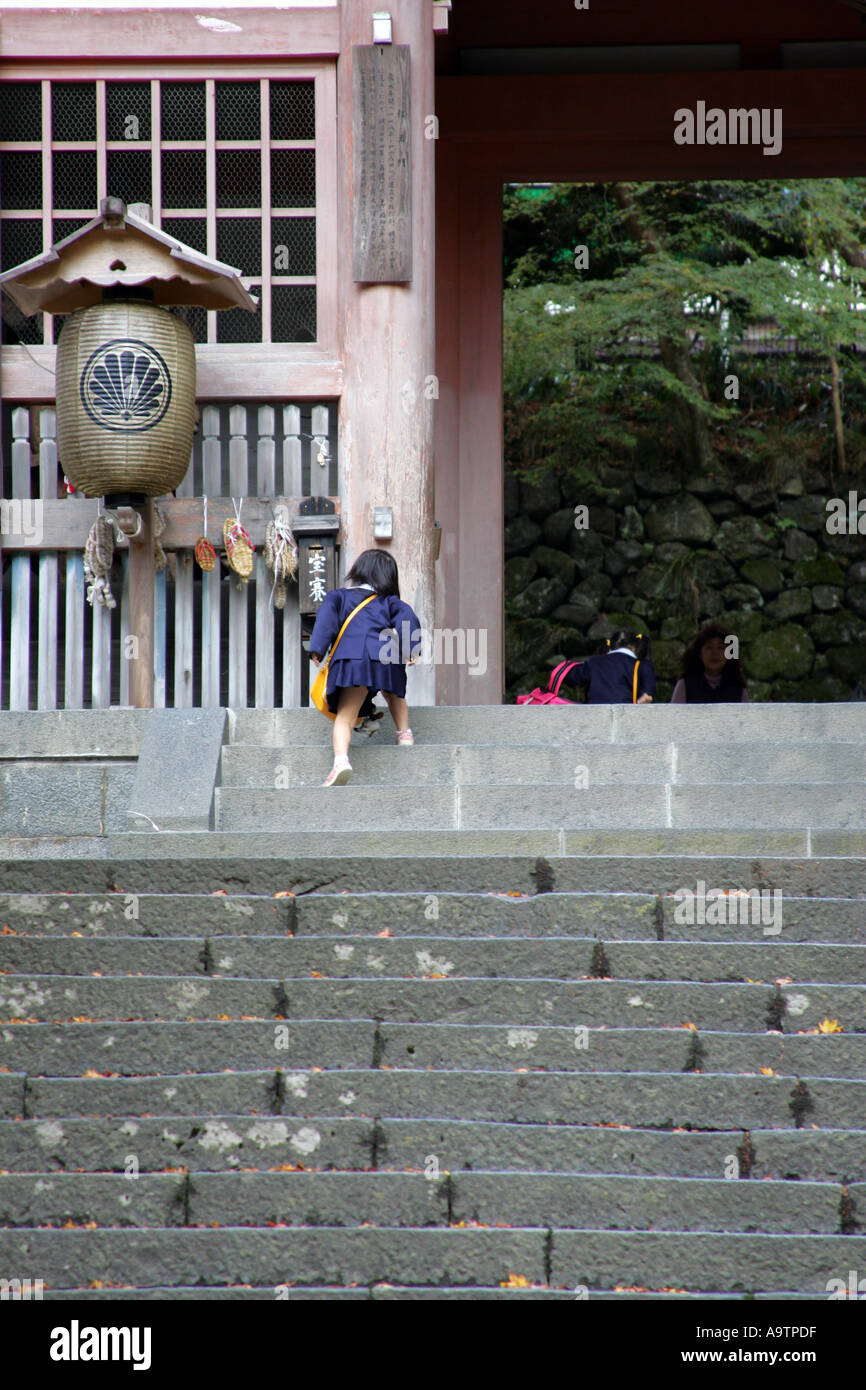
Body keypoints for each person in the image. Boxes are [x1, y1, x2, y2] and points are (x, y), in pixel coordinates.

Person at [308, 548, 420, 786]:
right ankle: (404, 734)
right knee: (393, 694)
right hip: (386, 656)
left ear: (358, 572)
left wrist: (318, 648)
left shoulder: (339, 597)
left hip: (353, 659)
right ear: (389, 577)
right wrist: (411, 648)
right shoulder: (390, 601)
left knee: (346, 716)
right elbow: (406, 617)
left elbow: (326, 619)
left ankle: (340, 761)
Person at [560, 628, 655, 704]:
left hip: (595, 712)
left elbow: (573, 676)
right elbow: (647, 694)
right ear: (636, 647)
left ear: (609, 646)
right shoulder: (642, 665)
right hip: (626, 714)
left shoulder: (594, 662)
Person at [671, 621, 749, 703]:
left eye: (720, 648)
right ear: (699, 653)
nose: (714, 653)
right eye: (709, 647)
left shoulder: (738, 689)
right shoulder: (685, 686)